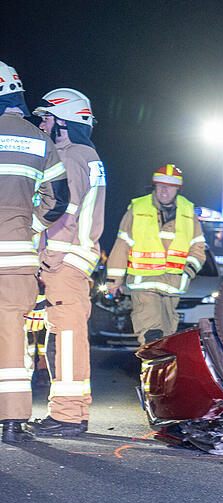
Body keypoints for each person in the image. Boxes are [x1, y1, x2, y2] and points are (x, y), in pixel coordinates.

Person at [27, 88, 106, 437]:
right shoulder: (87, 155)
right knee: (63, 338)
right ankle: (73, 412)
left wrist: (48, 257)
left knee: (66, 339)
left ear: (63, 122)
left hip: (64, 261)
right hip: (75, 261)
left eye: (46, 117)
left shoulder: (71, 157)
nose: (41, 123)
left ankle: (68, 416)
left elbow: (64, 211)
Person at [0, 61, 70, 443]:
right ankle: (12, 423)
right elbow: (59, 200)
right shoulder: (37, 140)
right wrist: (32, 224)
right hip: (14, 262)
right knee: (11, 340)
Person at [105, 165, 206, 346]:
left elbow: (198, 248)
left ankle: (158, 372)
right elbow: (122, 244)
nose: (164, 191)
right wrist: (114, 280)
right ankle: (151, 370)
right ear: (154, 186)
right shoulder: (138, 209)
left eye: (169, 187)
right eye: (160, 186)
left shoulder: (189, 212)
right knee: (152, 334)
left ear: (177, 189)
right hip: (144, 285)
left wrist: (188, 272)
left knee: (166, 338)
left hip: (173, 287)